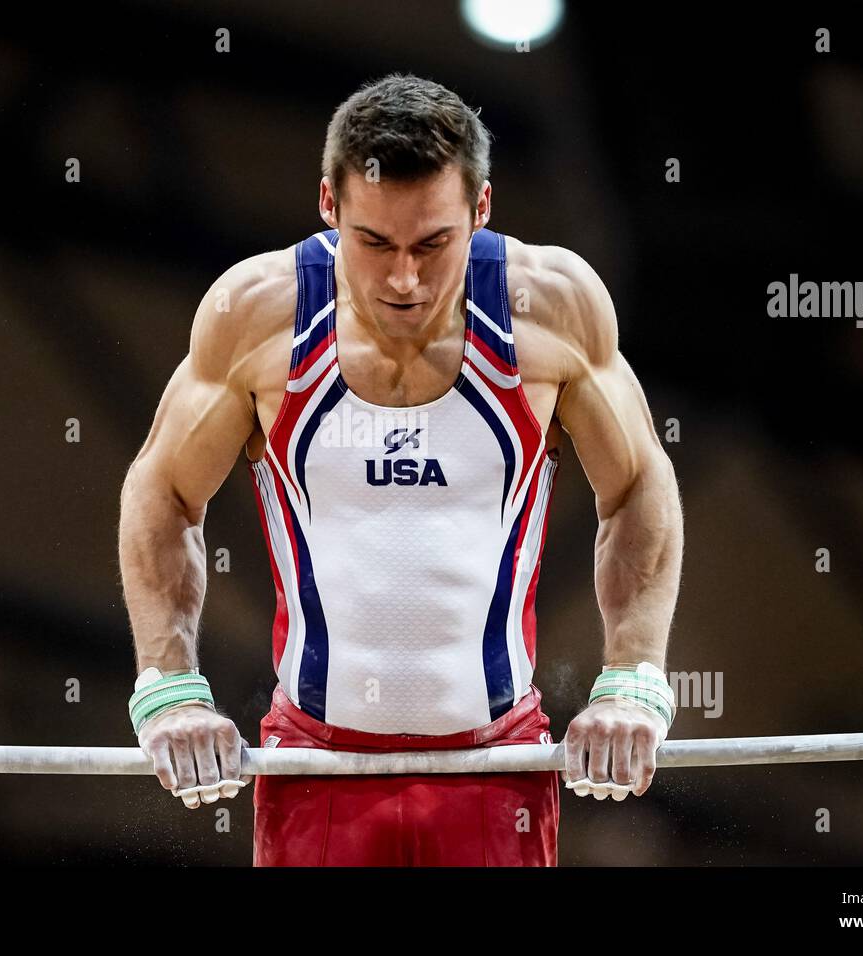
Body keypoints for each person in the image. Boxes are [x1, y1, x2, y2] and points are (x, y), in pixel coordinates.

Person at [118, 73, 683, 866]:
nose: (404, 280)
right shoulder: (257, 316)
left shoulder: (548, 308)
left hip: (498, 765)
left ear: (480, 211)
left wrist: (632, 675)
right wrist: (169, 688)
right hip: (314, 765)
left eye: (433, 244)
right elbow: (164, 491)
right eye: (375, 243)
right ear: (329, 205)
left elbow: (636, 485)